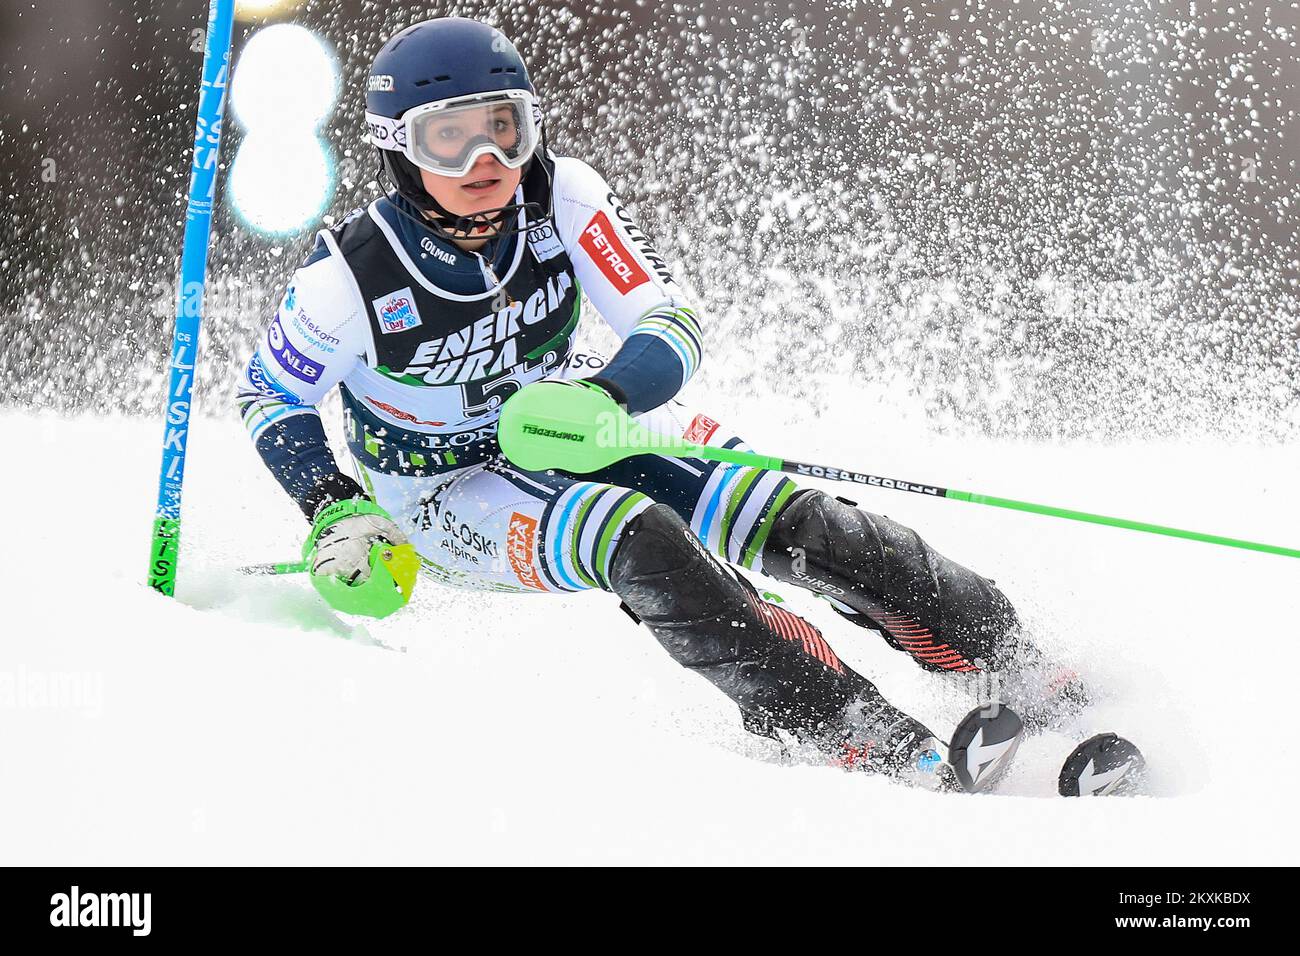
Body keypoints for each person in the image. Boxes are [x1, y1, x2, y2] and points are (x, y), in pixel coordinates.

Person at [236, 16, 1067, 789]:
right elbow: (270, 395)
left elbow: (670, 320)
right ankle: (854, 731)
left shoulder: (562, 198)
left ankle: (1021, 668)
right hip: (442, 492)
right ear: (399, 153)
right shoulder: (348, 279)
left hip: (563, 417)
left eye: (502, 127)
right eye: (445, 140)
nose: (481, 160)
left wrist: (607, 395)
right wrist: (331, 506)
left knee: (794, 520)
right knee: (641, 540)